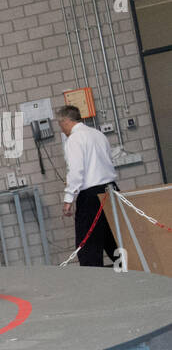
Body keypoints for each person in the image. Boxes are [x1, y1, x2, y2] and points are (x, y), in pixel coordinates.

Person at [57, 105, 118, 267]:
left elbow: (76, 171)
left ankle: (93, 282)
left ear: (66, 121)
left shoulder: (74, 140)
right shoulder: (98, 134)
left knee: (88, 244)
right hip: (111, 191)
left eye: (60, 125)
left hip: (91, 196)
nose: (62, 130)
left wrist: (68, 198)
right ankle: (130, 270)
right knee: (114, 237)